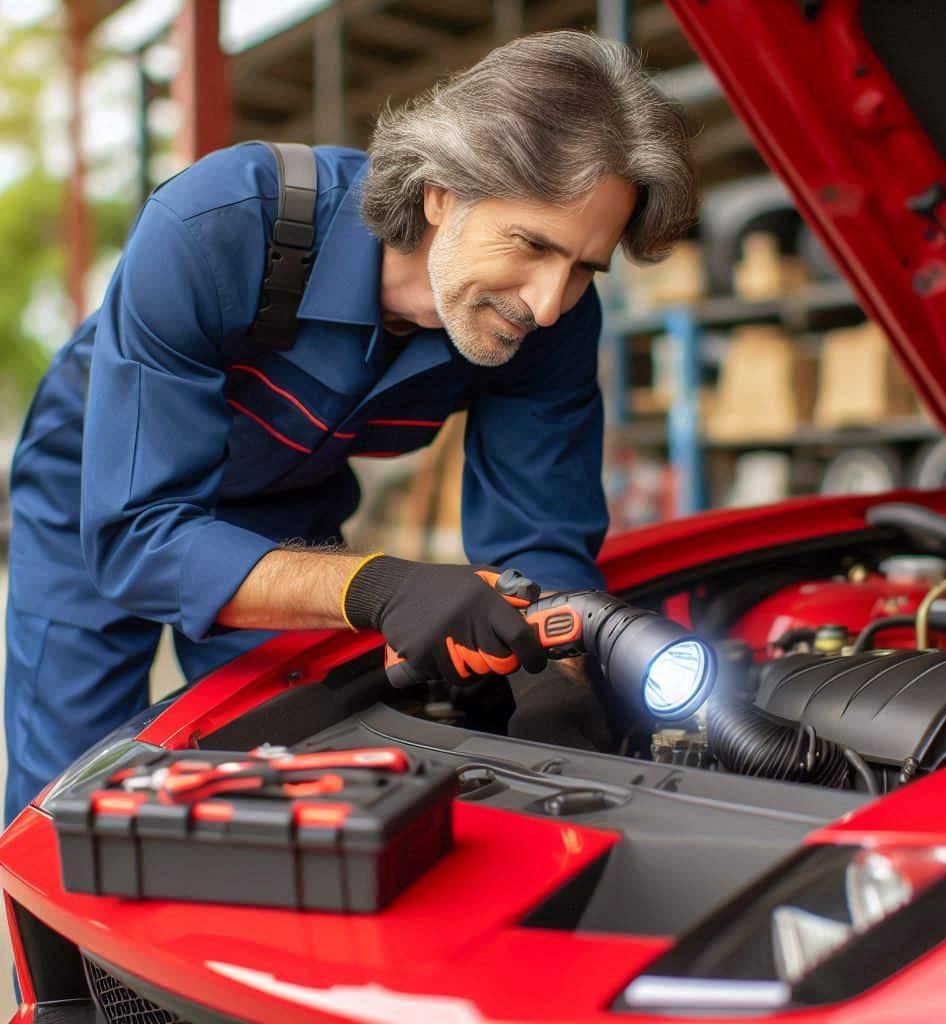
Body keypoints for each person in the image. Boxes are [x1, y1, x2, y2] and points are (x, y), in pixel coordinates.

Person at [3, 30, 696, 822]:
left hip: (285, 503)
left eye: (582, 268)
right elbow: (138, 536)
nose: (546, 302)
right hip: (105, 487)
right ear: (441, 192)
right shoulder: (219, 226)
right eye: (531, 243)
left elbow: (542, 542)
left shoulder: (552, 322)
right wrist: (378, 585)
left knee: (283, 761)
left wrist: (556, 686)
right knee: (69, 793)